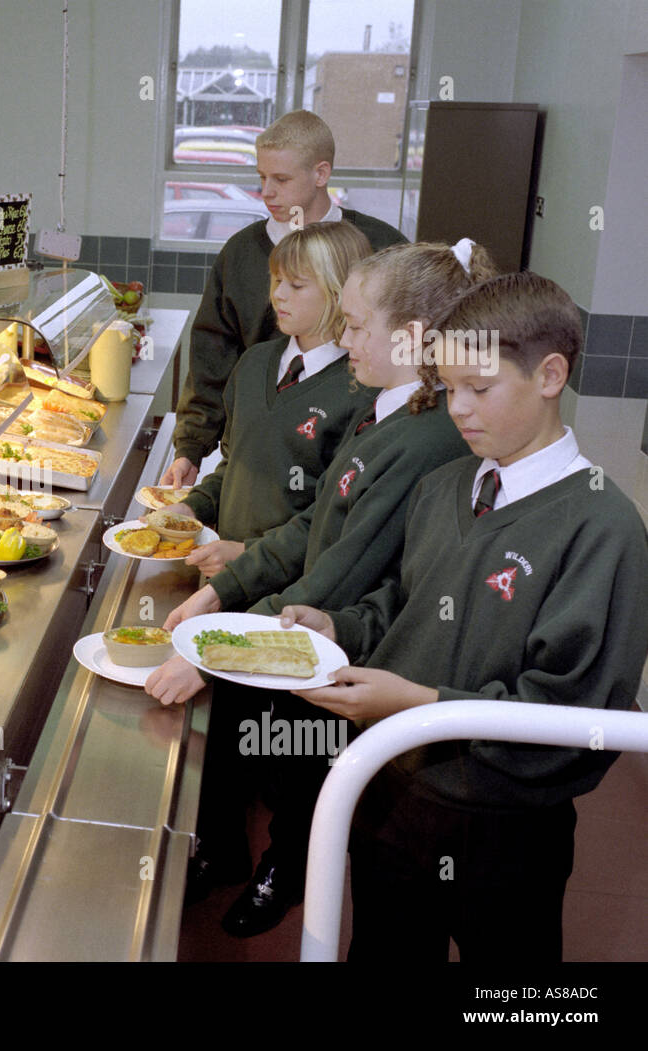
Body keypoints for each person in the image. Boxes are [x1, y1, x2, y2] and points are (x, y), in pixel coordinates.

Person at [282, 272, 648, 961]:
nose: (458, 409)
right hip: (392, 788)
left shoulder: (603, 527)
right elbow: (402, 603)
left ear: (550, 375)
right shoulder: (444, 486)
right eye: (448, 388)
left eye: (480, 389)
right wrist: (342, 628)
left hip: (507, 829)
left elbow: (575, 714)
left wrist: (419, 704)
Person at [149, 239, 497, 935]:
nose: (346, 337)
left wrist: (212, 644)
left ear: (413, 337)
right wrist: (223, 594)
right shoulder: (386, 413)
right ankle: (234, 855)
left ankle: (288, 870)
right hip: (316, 631)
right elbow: (313, 526)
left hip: (345, 649)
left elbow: (337, 570)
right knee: (277, 759)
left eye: (359, 324)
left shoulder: (421, 437)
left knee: (304, 771)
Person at [161, 110, 406, 489]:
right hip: (250, 454)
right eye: (261, 178)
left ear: (321, 174)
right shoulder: (241, 252)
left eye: (281, 179)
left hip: (342, 458)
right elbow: (212, 356)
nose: (267, 192)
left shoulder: (382, 249)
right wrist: (190, 448)